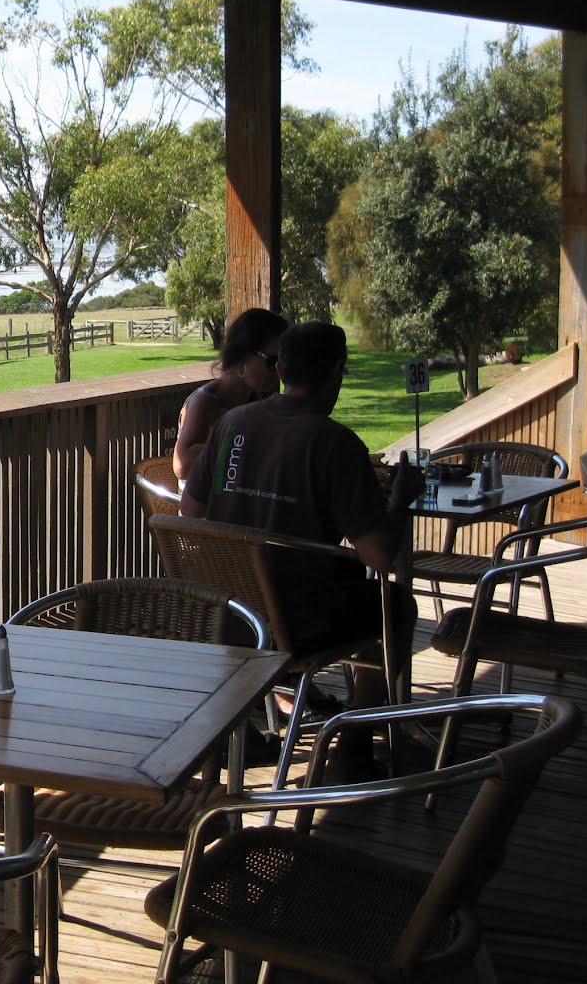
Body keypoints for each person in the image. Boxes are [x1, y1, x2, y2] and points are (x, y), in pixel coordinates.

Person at [180, 320, 421, 775]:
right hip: (299, 623)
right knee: (395, 607)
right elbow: (379, 557)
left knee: (368, 599)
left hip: (225, 615)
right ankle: (356, 746)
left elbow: (189, 518)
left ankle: (241, 732)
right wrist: (401, 502)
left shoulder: (233, 424)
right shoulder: (336, 444)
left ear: (283, 368)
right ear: (336, 373)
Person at [172, 307, 289, 486]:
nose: (278, 370)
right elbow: (182, 465)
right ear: (243, 356)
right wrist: (246, 447)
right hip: (204, 508)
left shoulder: (259, 397)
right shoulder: (205, 401)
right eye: (272, 361)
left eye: (284, 361)